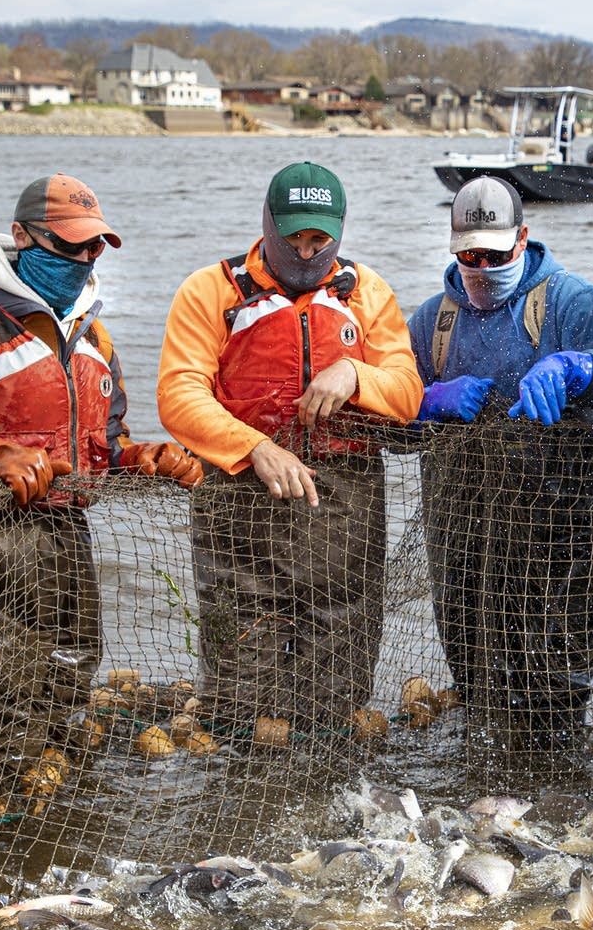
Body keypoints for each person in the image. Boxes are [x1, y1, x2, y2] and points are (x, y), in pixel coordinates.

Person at [0, 174, 201, 757]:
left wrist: (142, 459)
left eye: (93, 247)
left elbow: (102, 446)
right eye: (67, 245)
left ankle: (42, 829)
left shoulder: (93, 335)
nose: (82, 258)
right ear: (21, 236)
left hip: (64, 543)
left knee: (65, 686)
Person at [157, 161, 423, 734]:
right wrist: (253, 446)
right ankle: (239, 792)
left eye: (319, 239)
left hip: (343, 498)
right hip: (239, 493)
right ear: (267, 227)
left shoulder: (367, 293)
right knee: (239, 665)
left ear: (339, 232)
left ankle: (321, 789)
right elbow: (179, 394)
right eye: (293, 239)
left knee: (337, 660)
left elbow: (406, 391)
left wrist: (355, 374)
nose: (306, 253)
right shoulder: (211, 291)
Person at [406, 177, 593, 744]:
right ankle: (488, 751)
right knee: (470, 647)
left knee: (558, 656)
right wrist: (424, 402)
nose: (482, 268)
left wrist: (579, 369)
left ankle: (558, 757)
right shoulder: (431, 322)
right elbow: (388, 417)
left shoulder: (570, 301)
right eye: (469, 255)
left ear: (523, 238)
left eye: (496, 255)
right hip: (463, 523)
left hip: (565, 514)